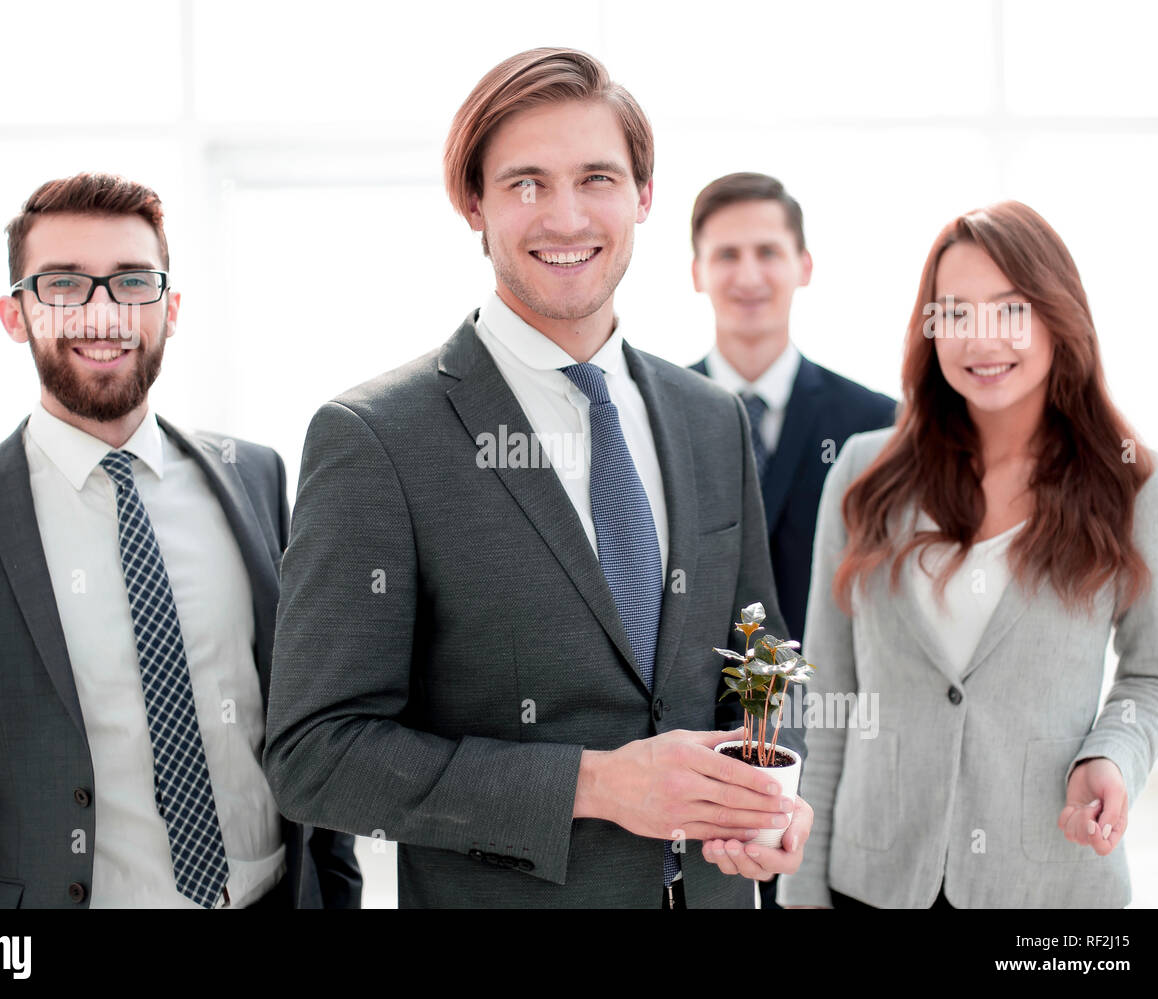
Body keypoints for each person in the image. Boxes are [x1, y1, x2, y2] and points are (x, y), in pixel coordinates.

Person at [264, 48, 812, 908]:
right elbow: (316, 756)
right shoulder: (376, 439)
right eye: (525, 183)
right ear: (472, 203)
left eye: (596, 177)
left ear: (644, 195)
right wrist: (594, 785)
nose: (564, 217)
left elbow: (761, 661)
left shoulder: (710, 418)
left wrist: (771, 798)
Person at [0, 172, 360, 909]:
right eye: (65, 285)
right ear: (17, 315)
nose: (103, 315)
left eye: (132, 282)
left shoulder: (256, 477)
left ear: (169, 308)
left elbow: (313, 714)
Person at [777, 201, 1158, 908]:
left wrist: (1110, 753)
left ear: (1059, 316)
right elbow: (826, 693)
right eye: (955, 312)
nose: (981, 337)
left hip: (1047, 885)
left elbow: (1156, 673)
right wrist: (802, 890)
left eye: (1011, 309)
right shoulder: (864, 474)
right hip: (871, 877)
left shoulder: (1131, 482)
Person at [689, 173, 897, 643]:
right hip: (691, 708)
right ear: (697, 272)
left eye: (767, 252)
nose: (747, 276)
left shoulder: (874, 424)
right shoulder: (652, 416)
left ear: (804, 266)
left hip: (827, 697)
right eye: (726, 255)